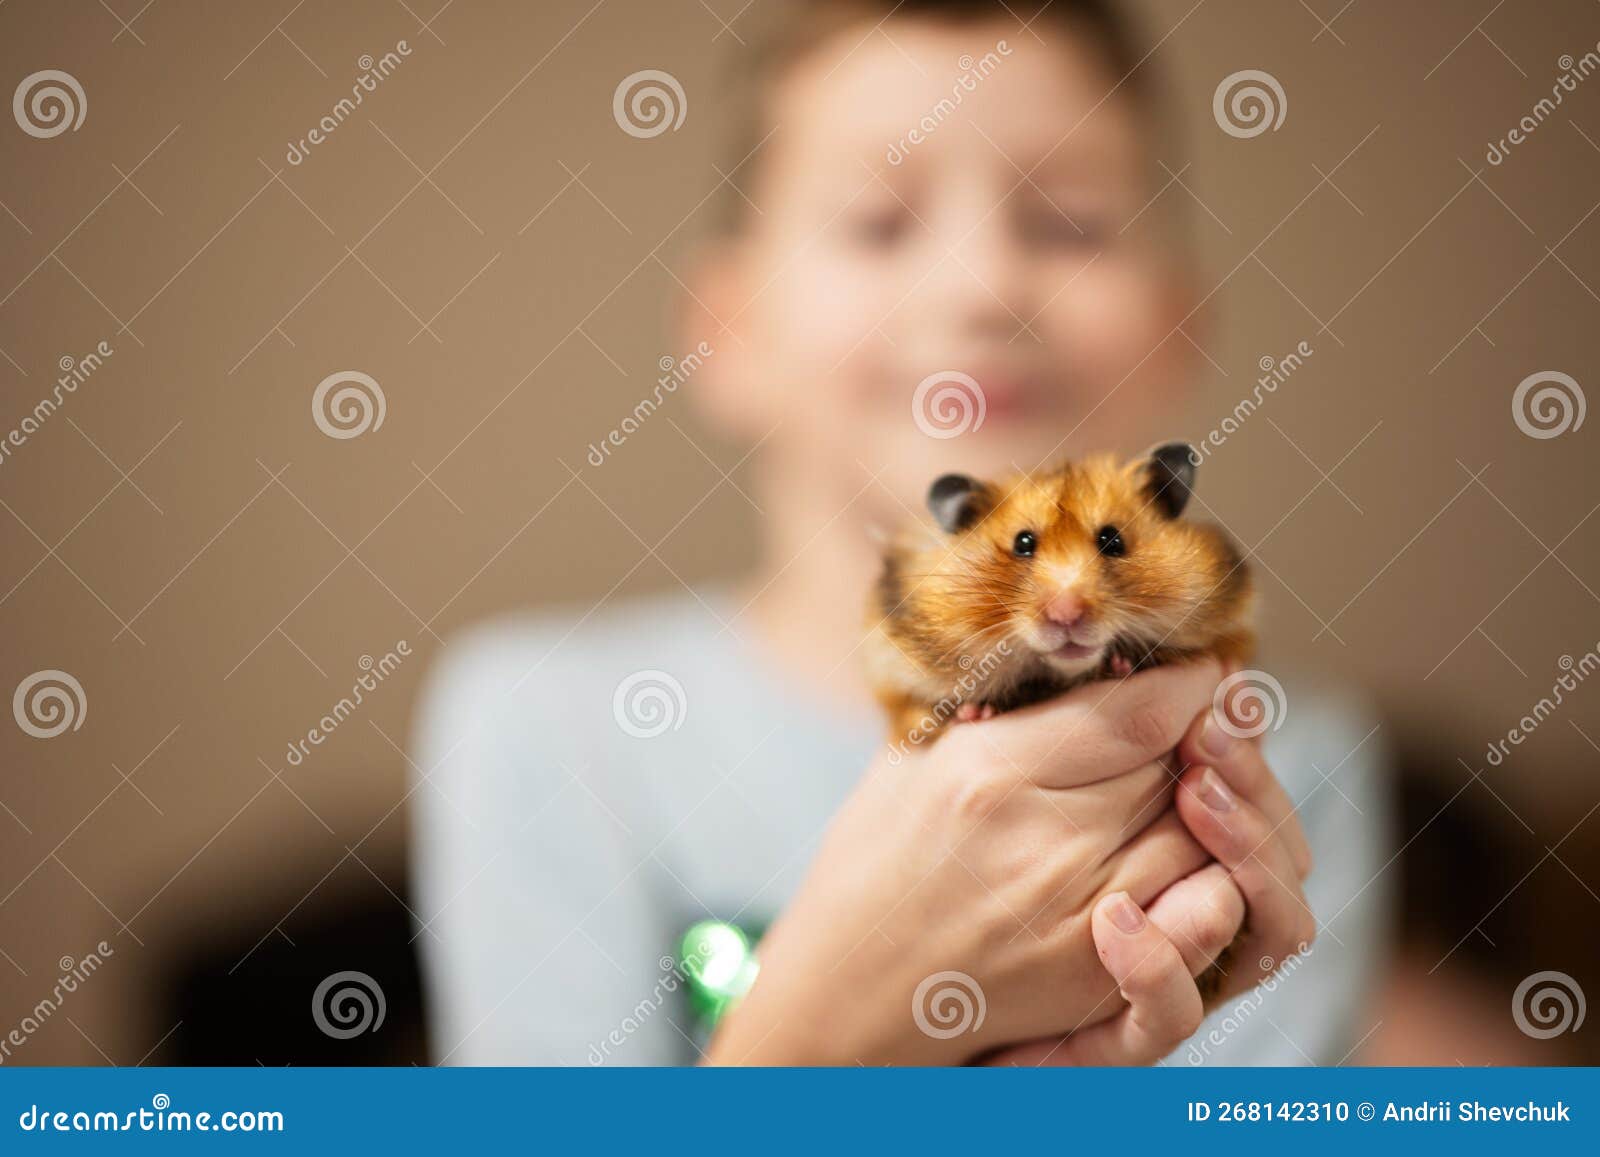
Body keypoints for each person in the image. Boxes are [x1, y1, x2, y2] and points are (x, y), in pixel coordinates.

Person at [410, 0, 1391, 1065]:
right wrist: (828, 1029)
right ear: (726, 332)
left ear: (1177, 331)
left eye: (1068, 222)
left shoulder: (1294, 757)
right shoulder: (544, 722)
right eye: (878, 219)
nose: (980, 288)